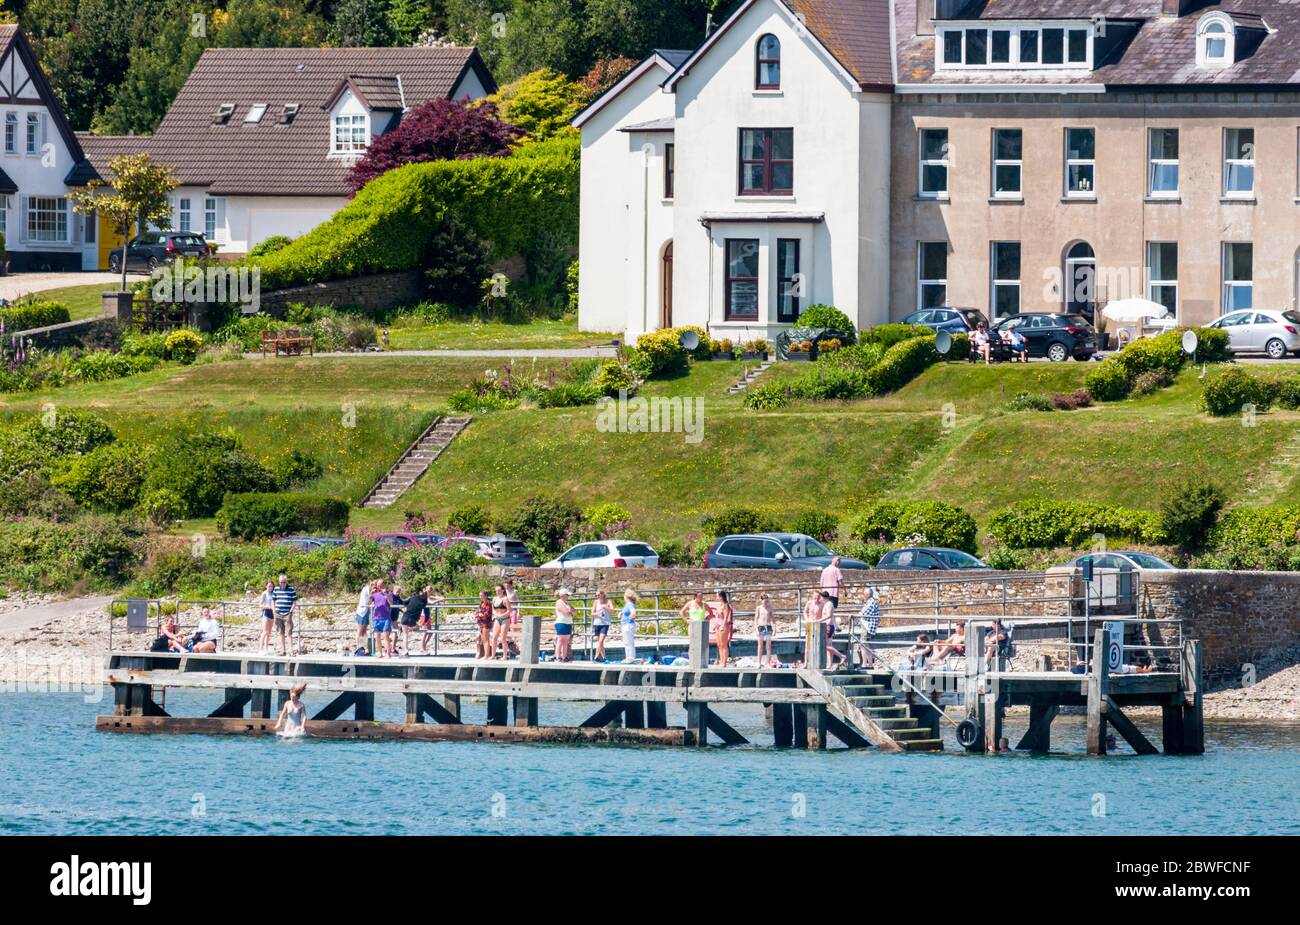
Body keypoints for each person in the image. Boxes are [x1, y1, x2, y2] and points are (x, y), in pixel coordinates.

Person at [399, 585, 431, 657]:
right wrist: (425, 620)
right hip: (412, 620)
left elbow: (404, 603)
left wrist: (400, 598)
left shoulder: (413, 598)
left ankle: (406, 650)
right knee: (417, 628)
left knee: (405, 635)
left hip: (405, 617)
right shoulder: (424, 603)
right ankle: (410, 629)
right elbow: (427, 611)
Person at [271, 573, 298, 657]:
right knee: (280, 632)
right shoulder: (276, 589)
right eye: (280, 582)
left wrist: (290, 612)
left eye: (283, 582)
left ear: (286, 582)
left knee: (289, 632)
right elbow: (273, 600)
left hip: (287, 614)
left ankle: (291, 651)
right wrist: (274, 610)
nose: (281, 583)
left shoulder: (291, 589)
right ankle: (283, 651)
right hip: (278, 613)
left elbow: (294, 602)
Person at [419, 589, 448, 654]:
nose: (429, 592)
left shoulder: (430, 596)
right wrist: (439, 600)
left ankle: (424, 646)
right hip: (424, 616)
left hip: (428, 615)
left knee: (430, 632)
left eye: (430, 591)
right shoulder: (425, 597)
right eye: (428, 591)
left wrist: (442, 598)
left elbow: (435, 597)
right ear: (425, 591)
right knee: (425, 632)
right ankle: (421, 648)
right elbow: (431, 602)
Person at [370, 580, 394, 658]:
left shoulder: (389, 593)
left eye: (381, 585)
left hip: (386, 617)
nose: (380, 587)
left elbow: (391, 603)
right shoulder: (375, 594)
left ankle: (388, 653)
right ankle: (380, 652)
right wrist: (371, 594)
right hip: (376, 618)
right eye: (378, 585)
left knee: (385, 636)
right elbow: (368, 603)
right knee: (377, 636)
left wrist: (386, 595)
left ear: (384, 585)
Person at [712, 590, 735, 667]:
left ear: (721, 596)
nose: (716, 597)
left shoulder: (726, 605)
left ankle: (724, 662)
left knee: (723, 644)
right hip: (718, 626)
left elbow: (725, 617)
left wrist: (723, 625)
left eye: (717, 595)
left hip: (723, 626)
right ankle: (721, 660)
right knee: (719, 644)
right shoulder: (720, 605)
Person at [590, 590, 613, 662]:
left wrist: (606, 607)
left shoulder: (608, 601)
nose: (597, 597)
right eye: (596, 595)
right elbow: (592, 613)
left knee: (600, 641)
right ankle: (604, 657)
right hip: (597, 623)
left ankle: (596, 657)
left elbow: (612, 610)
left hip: (605, 623)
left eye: (598, 595)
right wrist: (597, 613)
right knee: (601, 642)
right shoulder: (596, 602)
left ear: (603, 594)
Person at [490, 584, 511, 660]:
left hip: (505, 619)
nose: (497, 592)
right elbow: (493, 609)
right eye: (496, 591)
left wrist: (502, 615)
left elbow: (509, 610)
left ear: (503, 590)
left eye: (499, 590)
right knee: (494, 637)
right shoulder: (494, 599)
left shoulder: (505, 599)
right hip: (497, 618)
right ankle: (492, 655)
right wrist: (495, 614)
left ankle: (504, 656)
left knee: (503, 638)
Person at [554, 588, 575, 662]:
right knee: (560, 640)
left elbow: (573, 612)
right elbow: (566, 611)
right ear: (563, 595)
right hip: (561, 622)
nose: (568, 597)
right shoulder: (559, 602)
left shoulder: (567, 603)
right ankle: (558, 656)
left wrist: (571, 612)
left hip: (568, 622)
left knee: (566, 641)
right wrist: (570, 611)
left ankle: (564, 656)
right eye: (567, 595)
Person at [754, 592, 775, 668]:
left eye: (767, 601)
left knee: (768, 646)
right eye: (765, 601)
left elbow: (772, 619)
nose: (766, 603)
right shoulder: (758, 608)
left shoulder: (769, 608)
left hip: (768, 627)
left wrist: (774, 628)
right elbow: (756, 619)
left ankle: (768, 662)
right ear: (761, 600)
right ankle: (758, 662)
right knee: (760, 646)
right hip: (761, 627)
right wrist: (756, 629)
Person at [353, 580, 372, 652]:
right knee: (360, 630)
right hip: (362, 612)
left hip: (366, 612)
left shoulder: (368, 590)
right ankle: (358, 647)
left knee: (364, 631)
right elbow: (368, 603)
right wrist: (371, 596)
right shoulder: (366, 590)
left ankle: (364, 647)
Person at [475, 590, 494, 660]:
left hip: (486, 623)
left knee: (486, 640)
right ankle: (486, 654)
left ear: (486, 596)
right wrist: (478, 615)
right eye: (479, 595)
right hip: (481, 623)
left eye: (481, 595)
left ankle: (487, 655)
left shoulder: (488, 603)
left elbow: (487, 614)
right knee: (483, 640)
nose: (480, 597)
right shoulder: (481, 603)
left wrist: (481, 615)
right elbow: (477, 612)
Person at [620, 589, 638, 662]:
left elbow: (633, 612)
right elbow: (627, 611)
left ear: (626, 597)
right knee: (627, 642)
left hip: (628, 625)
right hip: (626, 624)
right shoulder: (628, 604)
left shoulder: (629, 604)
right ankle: (628, 657)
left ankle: (631, 657)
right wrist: (621, 613)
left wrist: (631, 616)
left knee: (629, 642)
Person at [258, 580, 276, 653]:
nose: (270, 587)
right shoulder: (264, 594)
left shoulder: (274, 593)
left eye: (271, 586)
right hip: (266, 613)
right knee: (265, 632)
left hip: (272, 613)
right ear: (266, 586)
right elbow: (260, 605)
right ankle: (260, 649)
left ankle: (266, 648)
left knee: (269, 632)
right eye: (269, 586)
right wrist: (268, 607)